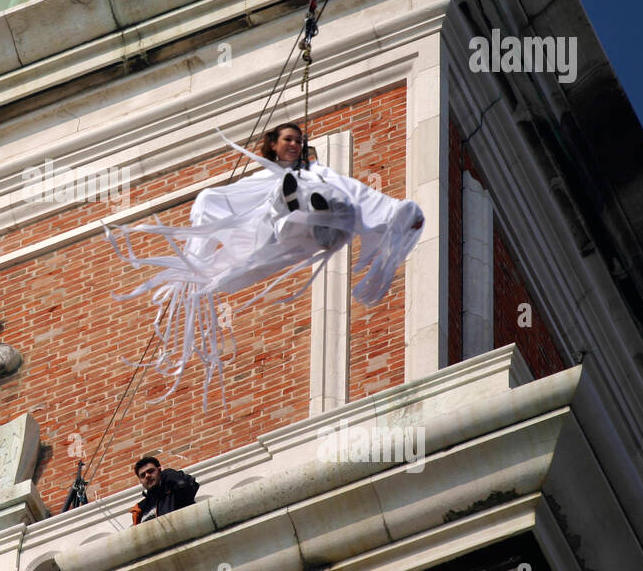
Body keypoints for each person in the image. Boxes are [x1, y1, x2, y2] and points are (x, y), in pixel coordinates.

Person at [104, 121, 425, 400]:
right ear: (273, 145)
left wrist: (399, 212)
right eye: (288, 139)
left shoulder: (317, 171)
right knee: (230, 199)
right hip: (276, 235)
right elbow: (215, 203)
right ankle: (292, 203)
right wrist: (194, 265)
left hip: (324, 227)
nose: (295, 144)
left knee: (322, 189)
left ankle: (309, 205)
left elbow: (360, 192)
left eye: (299, 141)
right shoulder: (260, 180)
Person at [130, 456, 199, 525]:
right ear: (140, 480)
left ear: (159, 471)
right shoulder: (140, 509)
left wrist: (167, 472)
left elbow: (187, 485)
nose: (147, 476)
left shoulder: (173, 493)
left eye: (151, 471)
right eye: (143, 475)